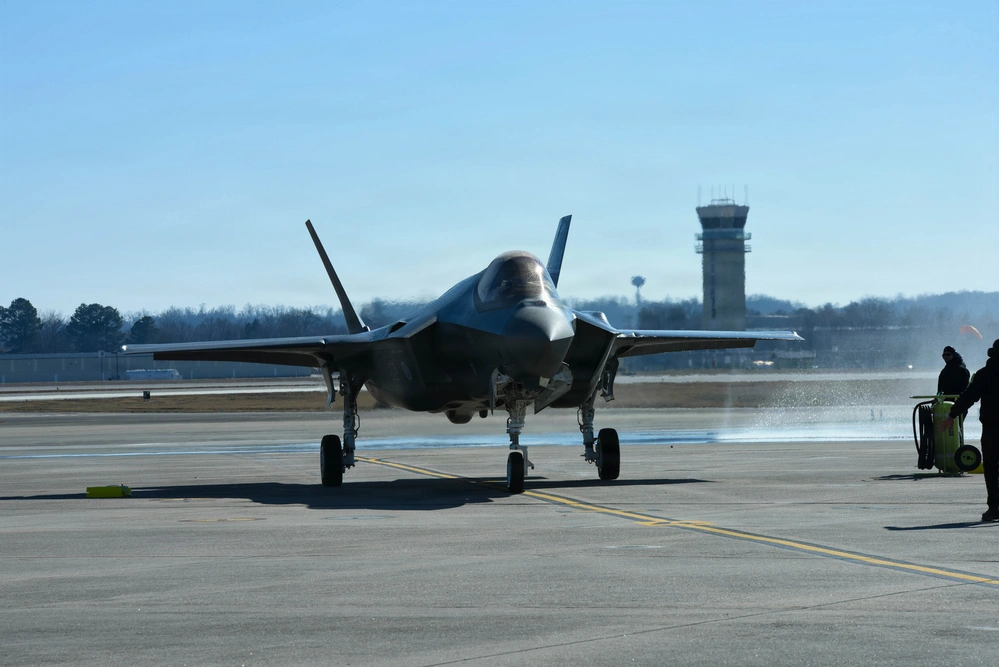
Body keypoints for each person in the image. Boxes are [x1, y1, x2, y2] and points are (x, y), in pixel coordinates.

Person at [940, 338, 999, 522]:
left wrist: (952, 415)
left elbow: (969, 396)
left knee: (991, 467)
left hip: (991, 428)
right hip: (992, 427)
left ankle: (994, 507)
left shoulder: (984, 374)